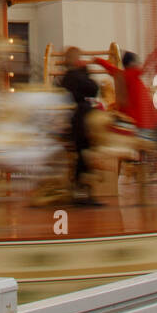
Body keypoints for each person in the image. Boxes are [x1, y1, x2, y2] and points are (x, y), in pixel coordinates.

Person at [59, 47, 101, 205]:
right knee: (85, 156)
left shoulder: (66, 77)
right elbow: (93, 89)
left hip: (74, 120)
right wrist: (86, 72)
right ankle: (84, 193)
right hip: (81, 122)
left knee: (83, 156)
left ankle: (82, 192)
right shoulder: (76, 76)